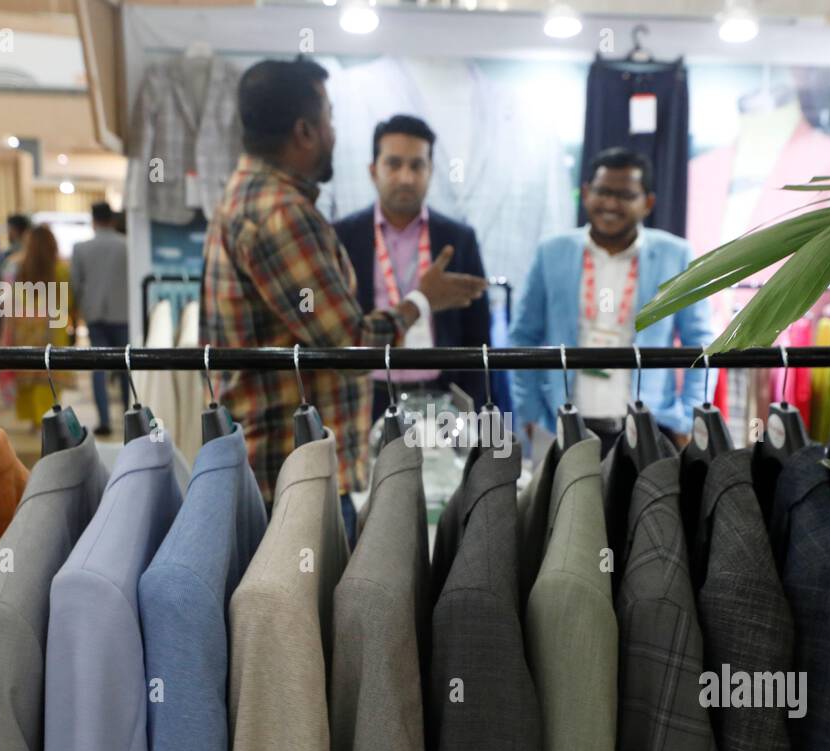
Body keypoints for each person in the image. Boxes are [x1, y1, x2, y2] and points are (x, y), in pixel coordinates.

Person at [201, 58, 486, 544]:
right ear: (305, 131)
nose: (334, 132)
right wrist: (422, 299)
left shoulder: (249, 196)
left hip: (293, 458)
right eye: (330, 118)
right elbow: (350, 347)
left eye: (417, 164)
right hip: (294, 470)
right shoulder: (283, 217)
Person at [508, 147, 715, 457]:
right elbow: (522, 337)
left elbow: (701, 342)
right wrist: (530, 413)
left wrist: (688, 417)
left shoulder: (676, 256)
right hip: (561, 423)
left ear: (648, 203)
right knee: (562, 506)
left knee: (648, 506)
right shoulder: (551, 253)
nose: (611, 204)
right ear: (586, 193)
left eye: (625, 195)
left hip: (651, 426)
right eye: (602, 192)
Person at [333, 114, 491, 421]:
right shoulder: (342, 237)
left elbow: (478, 334)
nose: (406, 177)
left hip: (439, 396)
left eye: (417, 165)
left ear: (430, 171)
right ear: (372, 170)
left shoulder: (458, 238)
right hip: (366, 395)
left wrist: (475, 412)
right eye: (393, 164)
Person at [1, 225, 71, 429]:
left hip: (24, 329)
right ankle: (48, 418)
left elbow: (7, 300)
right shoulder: (61, 270)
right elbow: (69, 301)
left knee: (28, 375)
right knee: (50, 376)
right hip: (52, 329)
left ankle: (34, 420)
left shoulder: (15, 267)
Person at [71, 202, 130, 436]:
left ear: (93, 220)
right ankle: (129, 416)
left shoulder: (81, 248)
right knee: (125, 365)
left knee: (99, 367)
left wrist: (80, 310)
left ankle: (104, 420)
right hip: (123, 313)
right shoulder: (127, 246)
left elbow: (76, 284)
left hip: (95, 314)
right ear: (113, 220)